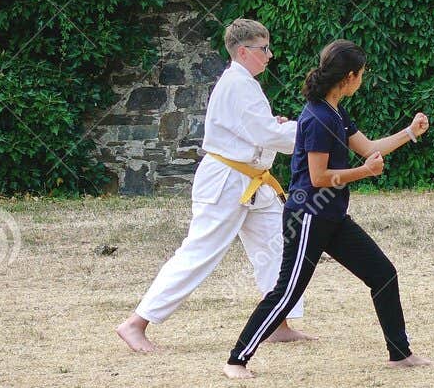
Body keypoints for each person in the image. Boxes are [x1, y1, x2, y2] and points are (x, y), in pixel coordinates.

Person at [222, 40, 432, 378]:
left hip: (332, 216)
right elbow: (319, 177)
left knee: (382, 273)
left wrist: (409, 132)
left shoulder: (335, 111)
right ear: (349, 77)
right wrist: (364, 173)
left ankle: (400, 354)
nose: (362, 79)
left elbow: (369, 148)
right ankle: (237, 359)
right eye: (361, 74)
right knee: (287, 291)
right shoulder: (318, 117)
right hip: (308, 216)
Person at [117, 18, 310, 353]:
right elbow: (264, 134)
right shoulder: (237, 84)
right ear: (242, 51)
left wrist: (277, 128)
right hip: (226, 182)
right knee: (200, 252)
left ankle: (278, 321)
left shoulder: (245, 83)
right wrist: (308, 130)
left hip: (252, 182)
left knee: (276, 246)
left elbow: (255, 131)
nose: (270, 54)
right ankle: (136, 323)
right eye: (263, 48)